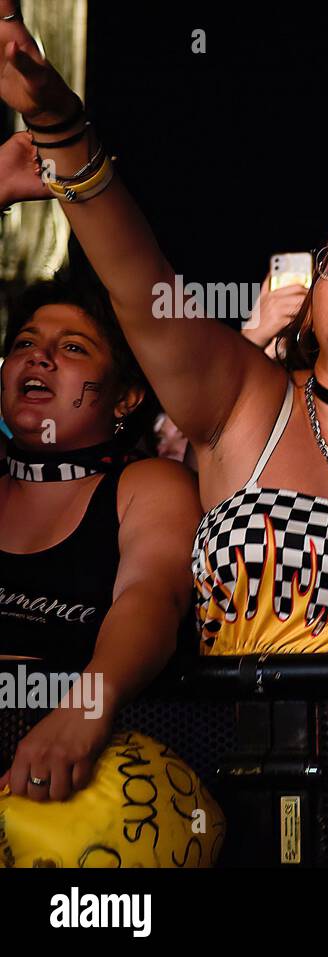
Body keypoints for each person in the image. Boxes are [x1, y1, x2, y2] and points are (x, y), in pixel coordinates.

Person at [0, 28, 328, 655]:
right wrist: (60, 125)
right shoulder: (244, 400)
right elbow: (141, 286)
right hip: (226, 750)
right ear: (309, 310)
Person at [0, 279, 200, 803]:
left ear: (126, 398)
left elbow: (154, 596)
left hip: (80, 802)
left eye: (72, 348)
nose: (39, 356)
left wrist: (86, 707)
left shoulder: (150, 485)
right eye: (23, 343)